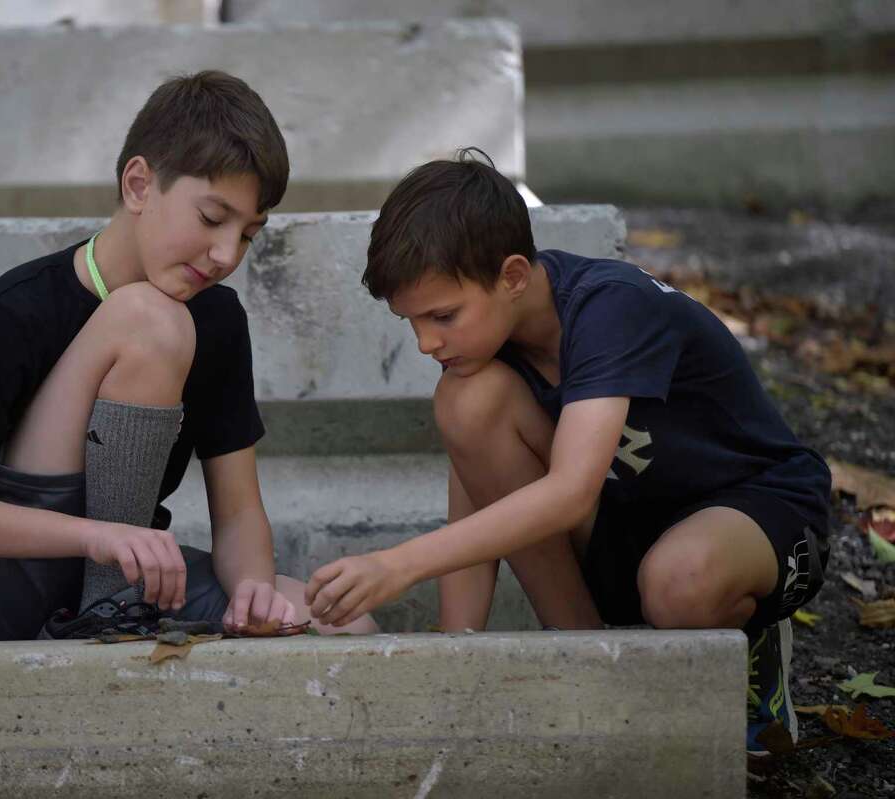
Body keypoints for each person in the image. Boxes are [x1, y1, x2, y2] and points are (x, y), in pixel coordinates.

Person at [304, 149, 830, 753]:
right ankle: (585, 656)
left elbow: (569, 491)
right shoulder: (485, 349)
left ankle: (754, 649)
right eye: (412, 322)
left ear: (513, 276)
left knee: (680, 580)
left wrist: (395, 565)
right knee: (466, 402)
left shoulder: (608, 307)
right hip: (627, 532)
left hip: (759, 518)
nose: (426, 342)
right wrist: (452, 658)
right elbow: (474, 503)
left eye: (442, 315)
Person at [0, 70, 377, 643]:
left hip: (124, 573)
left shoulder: (216, 319)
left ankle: (112, 614)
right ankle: (106, 612)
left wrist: (254, 590)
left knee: (340, 625)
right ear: (139, 185)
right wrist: (95, 536)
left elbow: (239, 509)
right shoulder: (16, 309)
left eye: (248, 234)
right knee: (148, 318)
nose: (225, 254)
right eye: (213, 218)